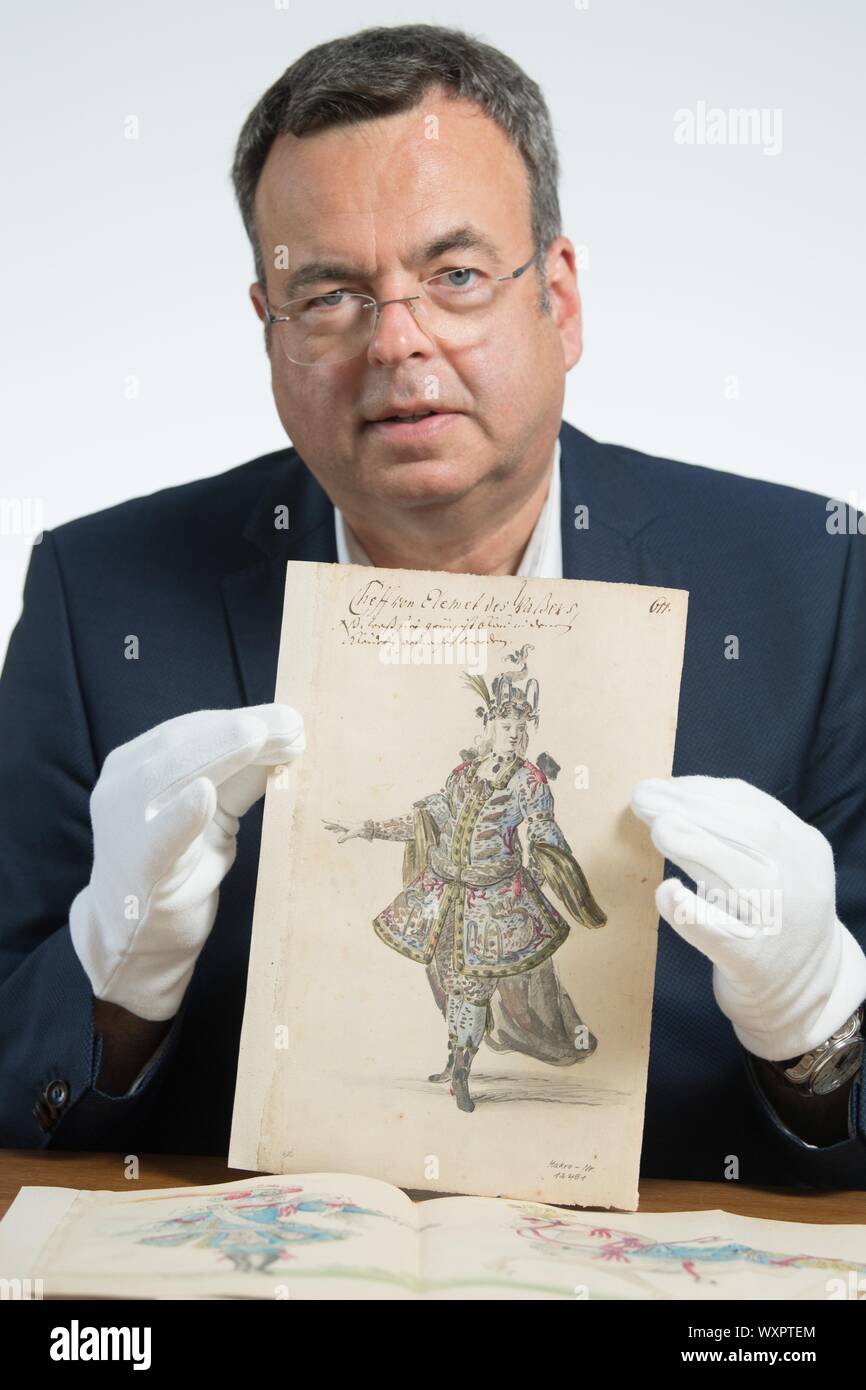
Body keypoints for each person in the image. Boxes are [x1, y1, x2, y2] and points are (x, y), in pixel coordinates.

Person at [1, 25, 864, 1188]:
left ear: (557, 299)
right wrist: (115, 978)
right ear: (267, 326)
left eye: (453, 275)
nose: (396, 340)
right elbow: (12, 1062)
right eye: (329, 294)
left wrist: (815, 1032)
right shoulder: (92, 596)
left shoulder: (813, 582)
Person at [324, 658, 606, 1113]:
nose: (514, 733)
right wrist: (369, 828)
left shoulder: (531, 782)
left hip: (494, 904)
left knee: (473, 985)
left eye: (521, 726)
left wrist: (532, 878)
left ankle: (461, 1071)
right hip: (443, 893)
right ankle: (455, 1053)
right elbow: (429, 819)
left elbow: (544, 837)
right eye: (506, 723)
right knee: (446, 976)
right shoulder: (462, 774)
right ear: (490, 726)